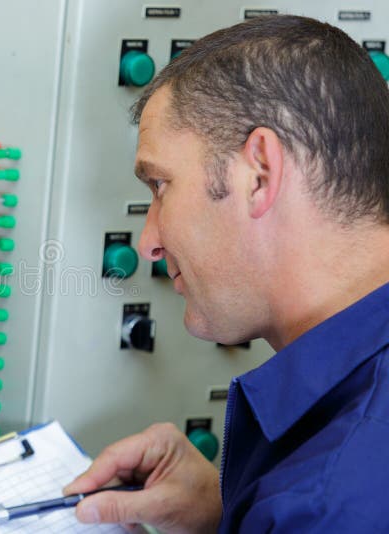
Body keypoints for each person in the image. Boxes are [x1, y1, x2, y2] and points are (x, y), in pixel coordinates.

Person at [64, 14, 389, 533]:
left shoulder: (323, 501)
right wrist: (227, 515)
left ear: (259, 174)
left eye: (160, 185)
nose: (148, 242)